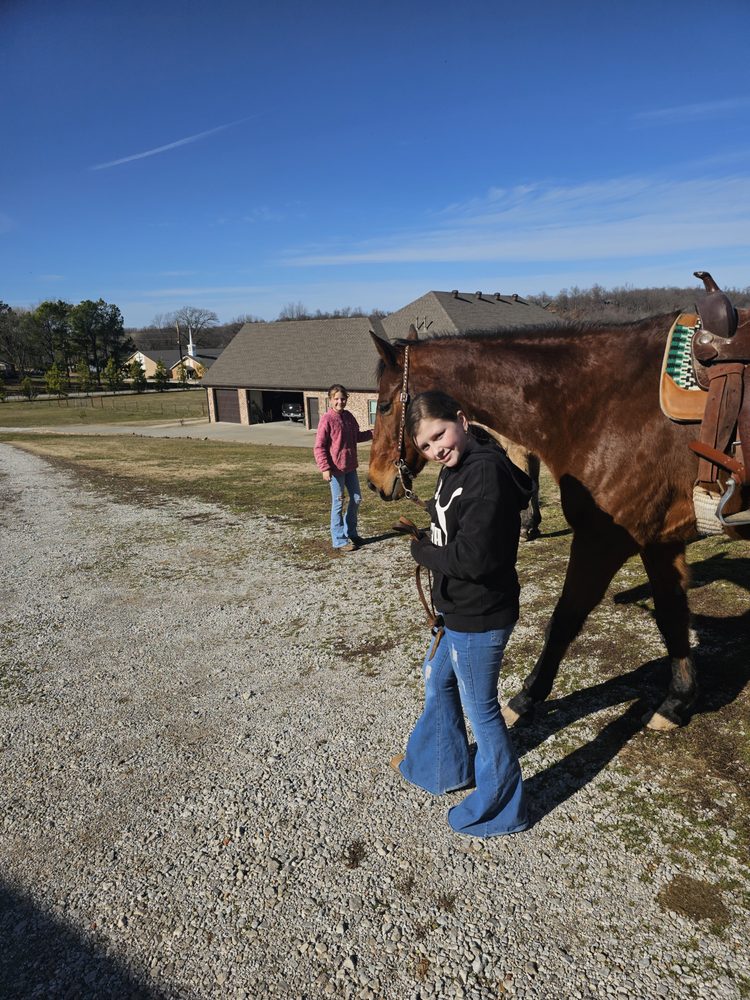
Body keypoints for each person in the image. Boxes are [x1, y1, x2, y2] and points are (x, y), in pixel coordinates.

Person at [392, 390, 532, 837]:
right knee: (435, 676)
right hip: (457, 611)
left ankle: (503, 808)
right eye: (427, 447)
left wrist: (422, 551)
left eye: (440, 435)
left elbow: (475, 560)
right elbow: (452, 523)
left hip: (481, 616)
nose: (437, 450)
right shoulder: (457, 468)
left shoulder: (485, 474)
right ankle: (440, 768)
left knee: (483, 710)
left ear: (462, 419)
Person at [313, 384, 373, 552]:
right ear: (331, 400)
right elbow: (319, 447)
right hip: (335, 470)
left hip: (350, 467)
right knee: (338, 504)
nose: (340, 402)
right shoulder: (327, 419)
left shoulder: (349, 417)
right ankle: (339, 540)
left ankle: (351, 533)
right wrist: (325, 468)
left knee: (356, 499)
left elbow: (357, 436)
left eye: (343, 398)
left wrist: (373, 433)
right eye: (337, 399)